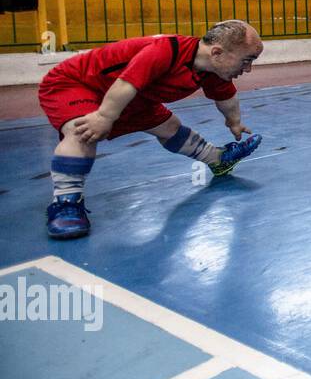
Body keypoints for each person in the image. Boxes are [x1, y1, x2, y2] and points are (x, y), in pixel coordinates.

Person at [37, 20, 264, 239]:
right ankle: (66, 203)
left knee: (170, 127)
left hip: (133, 97)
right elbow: (125, 84)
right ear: (217, 52)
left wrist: (234, 122)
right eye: (246, 60)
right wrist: (104, 116)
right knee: (83, 133)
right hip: (78, 84)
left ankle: (218, 159)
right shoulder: (165, 50)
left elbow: (227, 98)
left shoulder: (212, 69)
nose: (249, 69)